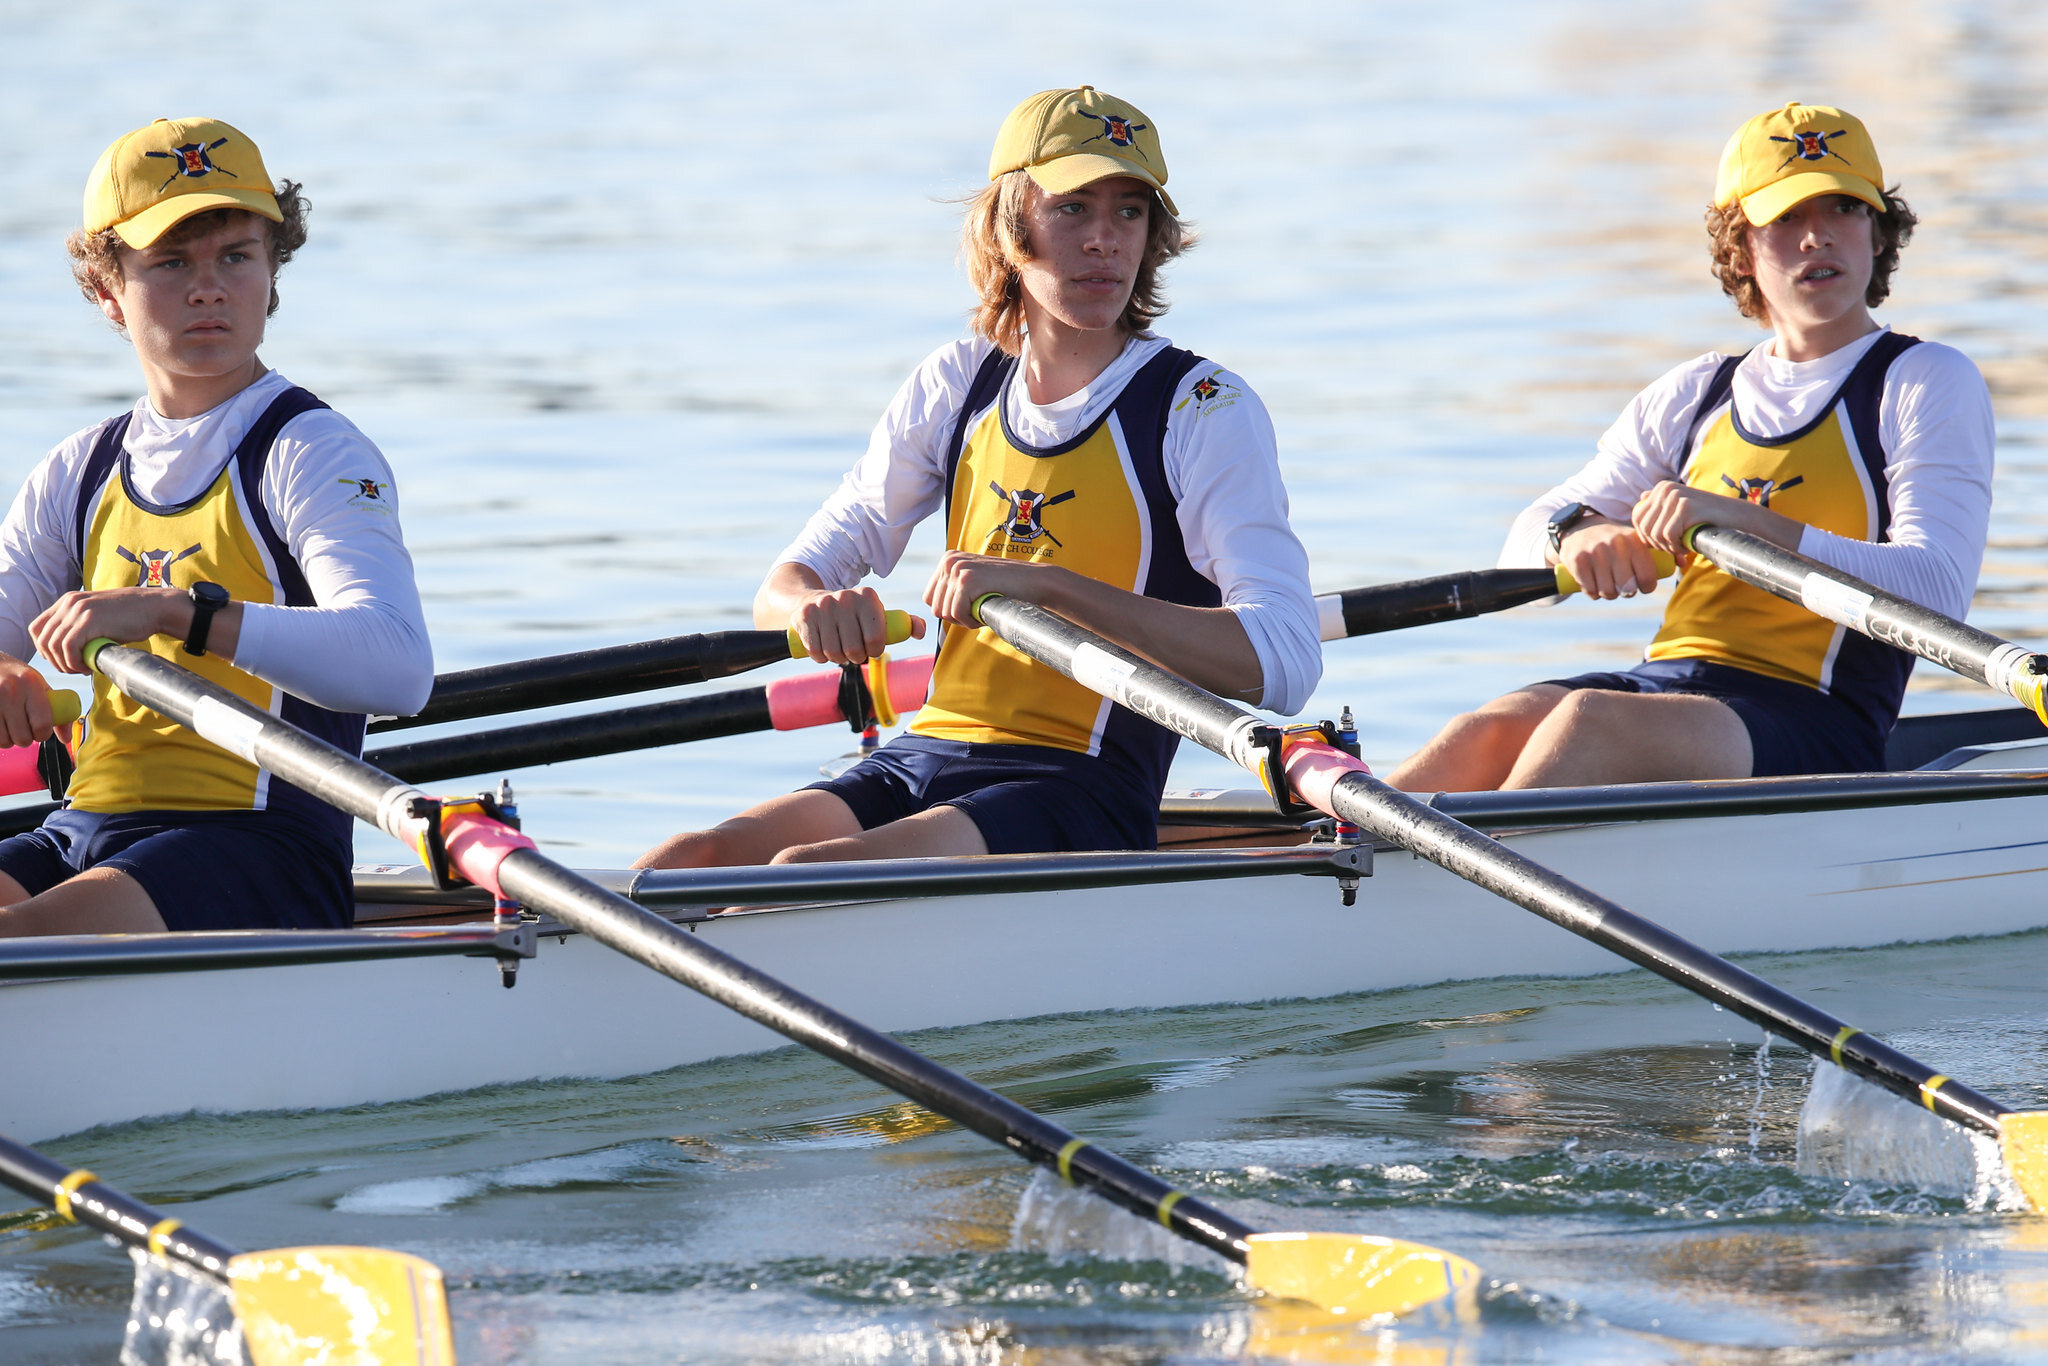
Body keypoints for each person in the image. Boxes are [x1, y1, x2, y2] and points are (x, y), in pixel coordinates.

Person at [637, 86, 1319, 869]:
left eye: (1129, 212)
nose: (1105, 241)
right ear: (1008, 224)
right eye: (1073, 209)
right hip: (928, 749)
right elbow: (783, 586)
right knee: (682, 862)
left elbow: (1285, 659)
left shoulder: (1201, 408)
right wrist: (815, 607)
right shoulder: (958, 382)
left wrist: (1055, 589)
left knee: (806, 874)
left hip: (1079, 783)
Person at [1388, 102, 1993, 792]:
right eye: (1786, 218)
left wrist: (1745, 521)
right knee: (1488, 729)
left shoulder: (1923, 379)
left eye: (1843, 210)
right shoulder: (1697, 392)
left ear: (1879, 234)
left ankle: (1451, 887)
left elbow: (1937, 593)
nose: (1816, 238)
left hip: (1812, 713)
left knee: (1588, 721)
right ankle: (1321, 861)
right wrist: (1579, 533)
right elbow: (1527, 546)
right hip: (1667, 684)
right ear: (1740, 248)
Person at [0, 117, 432, 935]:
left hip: (259, 846)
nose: (210, 289)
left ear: (273, 273)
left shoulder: (313, 451)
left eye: (236, 256)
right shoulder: (77, 471)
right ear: (105, 291)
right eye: (170, 263)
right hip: (81, 831)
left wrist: (173, 613)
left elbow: (398, 666)